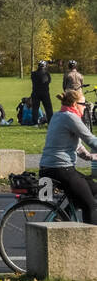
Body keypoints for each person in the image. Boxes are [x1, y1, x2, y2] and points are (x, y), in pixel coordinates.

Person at [39, 89, 97, 225]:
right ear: (75, 104)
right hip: (61, 169)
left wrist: (90, 156)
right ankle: (91, 243)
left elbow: (76, 146)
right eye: (84, 104)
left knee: (92, 189)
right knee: (90, 205)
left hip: (49, 168)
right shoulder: (71, 117)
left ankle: (62, 217)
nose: (86, 107)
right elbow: (91, 140)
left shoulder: (59, 115)